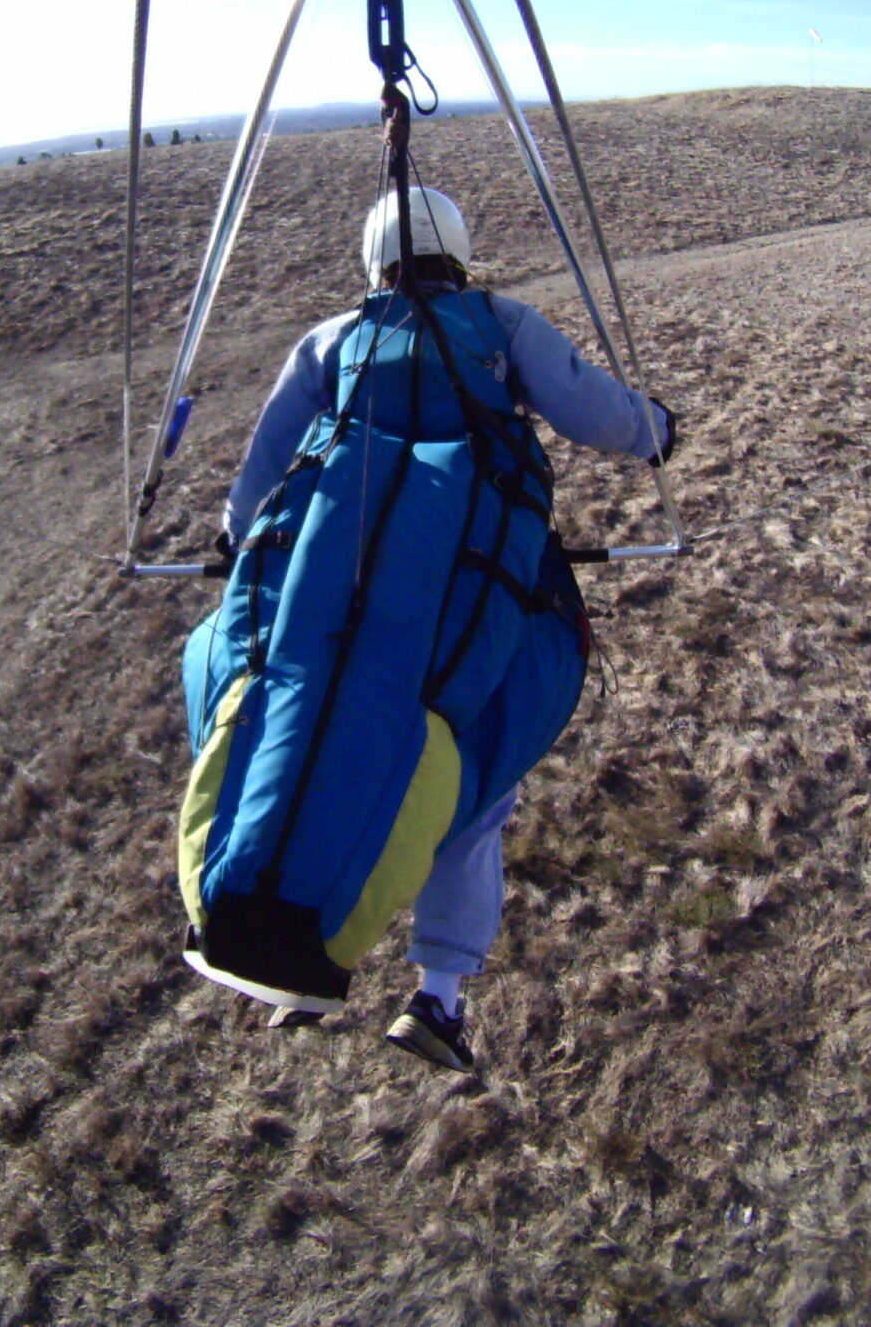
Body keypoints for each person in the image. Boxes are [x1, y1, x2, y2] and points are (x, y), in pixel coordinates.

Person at [215, 187, 676, 1071]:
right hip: (468, 581)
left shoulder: (333, 341)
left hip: (344, 585)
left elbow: (267, 463)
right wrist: (656, 432)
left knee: (312, 729)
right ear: (457, 250)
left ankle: (308, 944)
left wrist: (235, 542)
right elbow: (587, 405)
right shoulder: (500, 322)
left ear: (373, 259)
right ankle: (439, 997)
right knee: (467, 779)